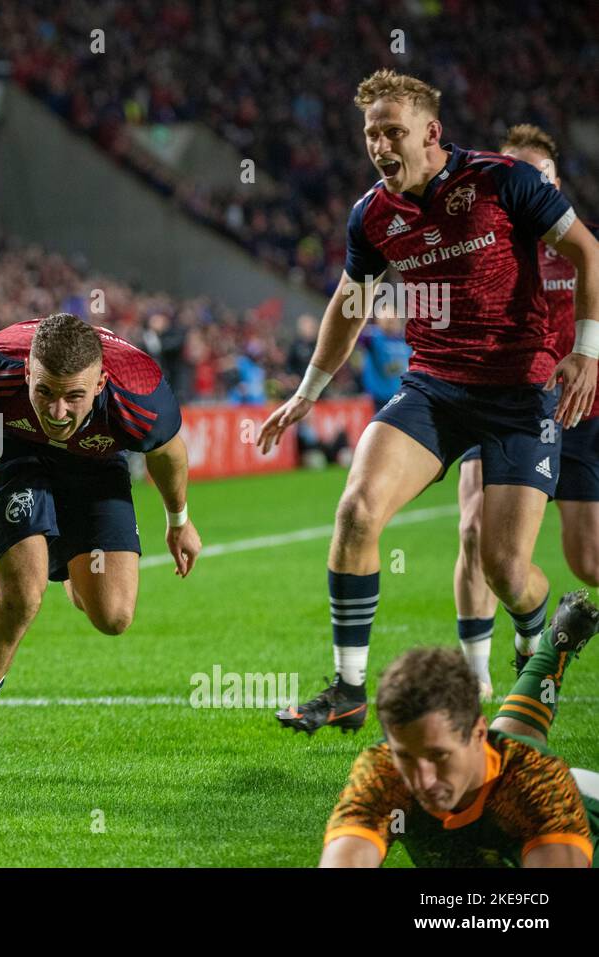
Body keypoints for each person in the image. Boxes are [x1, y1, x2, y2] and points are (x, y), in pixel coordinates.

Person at [259, 70, 599, 735]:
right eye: (370, 133)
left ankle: (544, 634)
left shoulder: (502, 181)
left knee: (504, 567)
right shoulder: (373, 215)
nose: (380, 145)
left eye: (393, 131)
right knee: (357, 509)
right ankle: (349, 688)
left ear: (430, 132)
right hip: (433, 388)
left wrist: (587, 350)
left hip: (517, 392)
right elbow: (350, 303)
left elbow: (587, 250)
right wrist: (306, 393)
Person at [0, 312, 202, 783]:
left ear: (102, 382)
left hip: (95, 461)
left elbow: (167, 451)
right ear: (27, 372)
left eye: (74, 396)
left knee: (113, 616)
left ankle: (67, 559)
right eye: (44, 391)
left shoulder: (141, 394)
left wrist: (178, 520)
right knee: (22, 596)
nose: (57, 411)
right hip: (10, 451)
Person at [454, 124, 599, 700]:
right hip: (502, 401)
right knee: (472, 531)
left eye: (538, 177)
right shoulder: (480, 251)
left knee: (587, 560)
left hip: (580, 411)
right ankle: (475, 674)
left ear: (556, 184)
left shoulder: (585, 246)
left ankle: (536, 635)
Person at [320, 592, 599, 867]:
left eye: (439, 756)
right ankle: (554, 648)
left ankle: (554, 651)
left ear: (480, 733)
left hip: (586, 802)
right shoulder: (383, 771)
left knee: (515, 767)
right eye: (405, 757)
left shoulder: (540, 785)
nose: (422, 781)